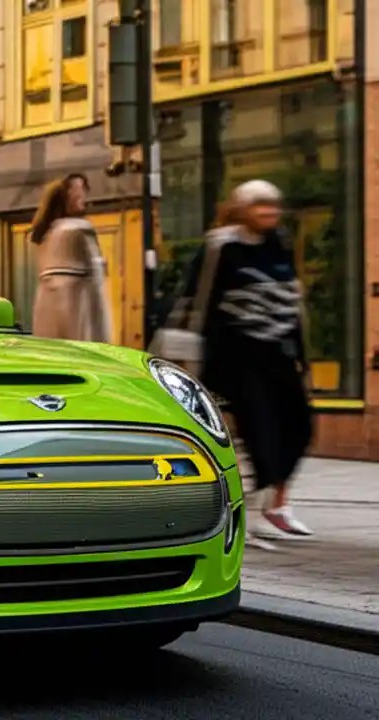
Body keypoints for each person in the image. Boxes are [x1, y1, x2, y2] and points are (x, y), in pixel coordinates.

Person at [174, 180, 314, 550]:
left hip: (278, 353)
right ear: (242, 209)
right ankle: (250, 517)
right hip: (236, 357)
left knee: (300, 426)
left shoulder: (278, 243)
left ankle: (275, 506)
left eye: (273, 206)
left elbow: (291, 298)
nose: (269, 213)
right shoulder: (222, 245)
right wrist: (200, 361)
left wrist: (301, 355)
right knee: (259, 436)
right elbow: (198, 300)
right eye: (261, 206)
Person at [29, 173, 113, 343]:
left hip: (47, 321)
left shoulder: (44, 236)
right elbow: (96, 285)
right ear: (66, 196)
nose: (83, 195)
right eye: (78, 190)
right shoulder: (80, 229)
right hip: (79, 316)